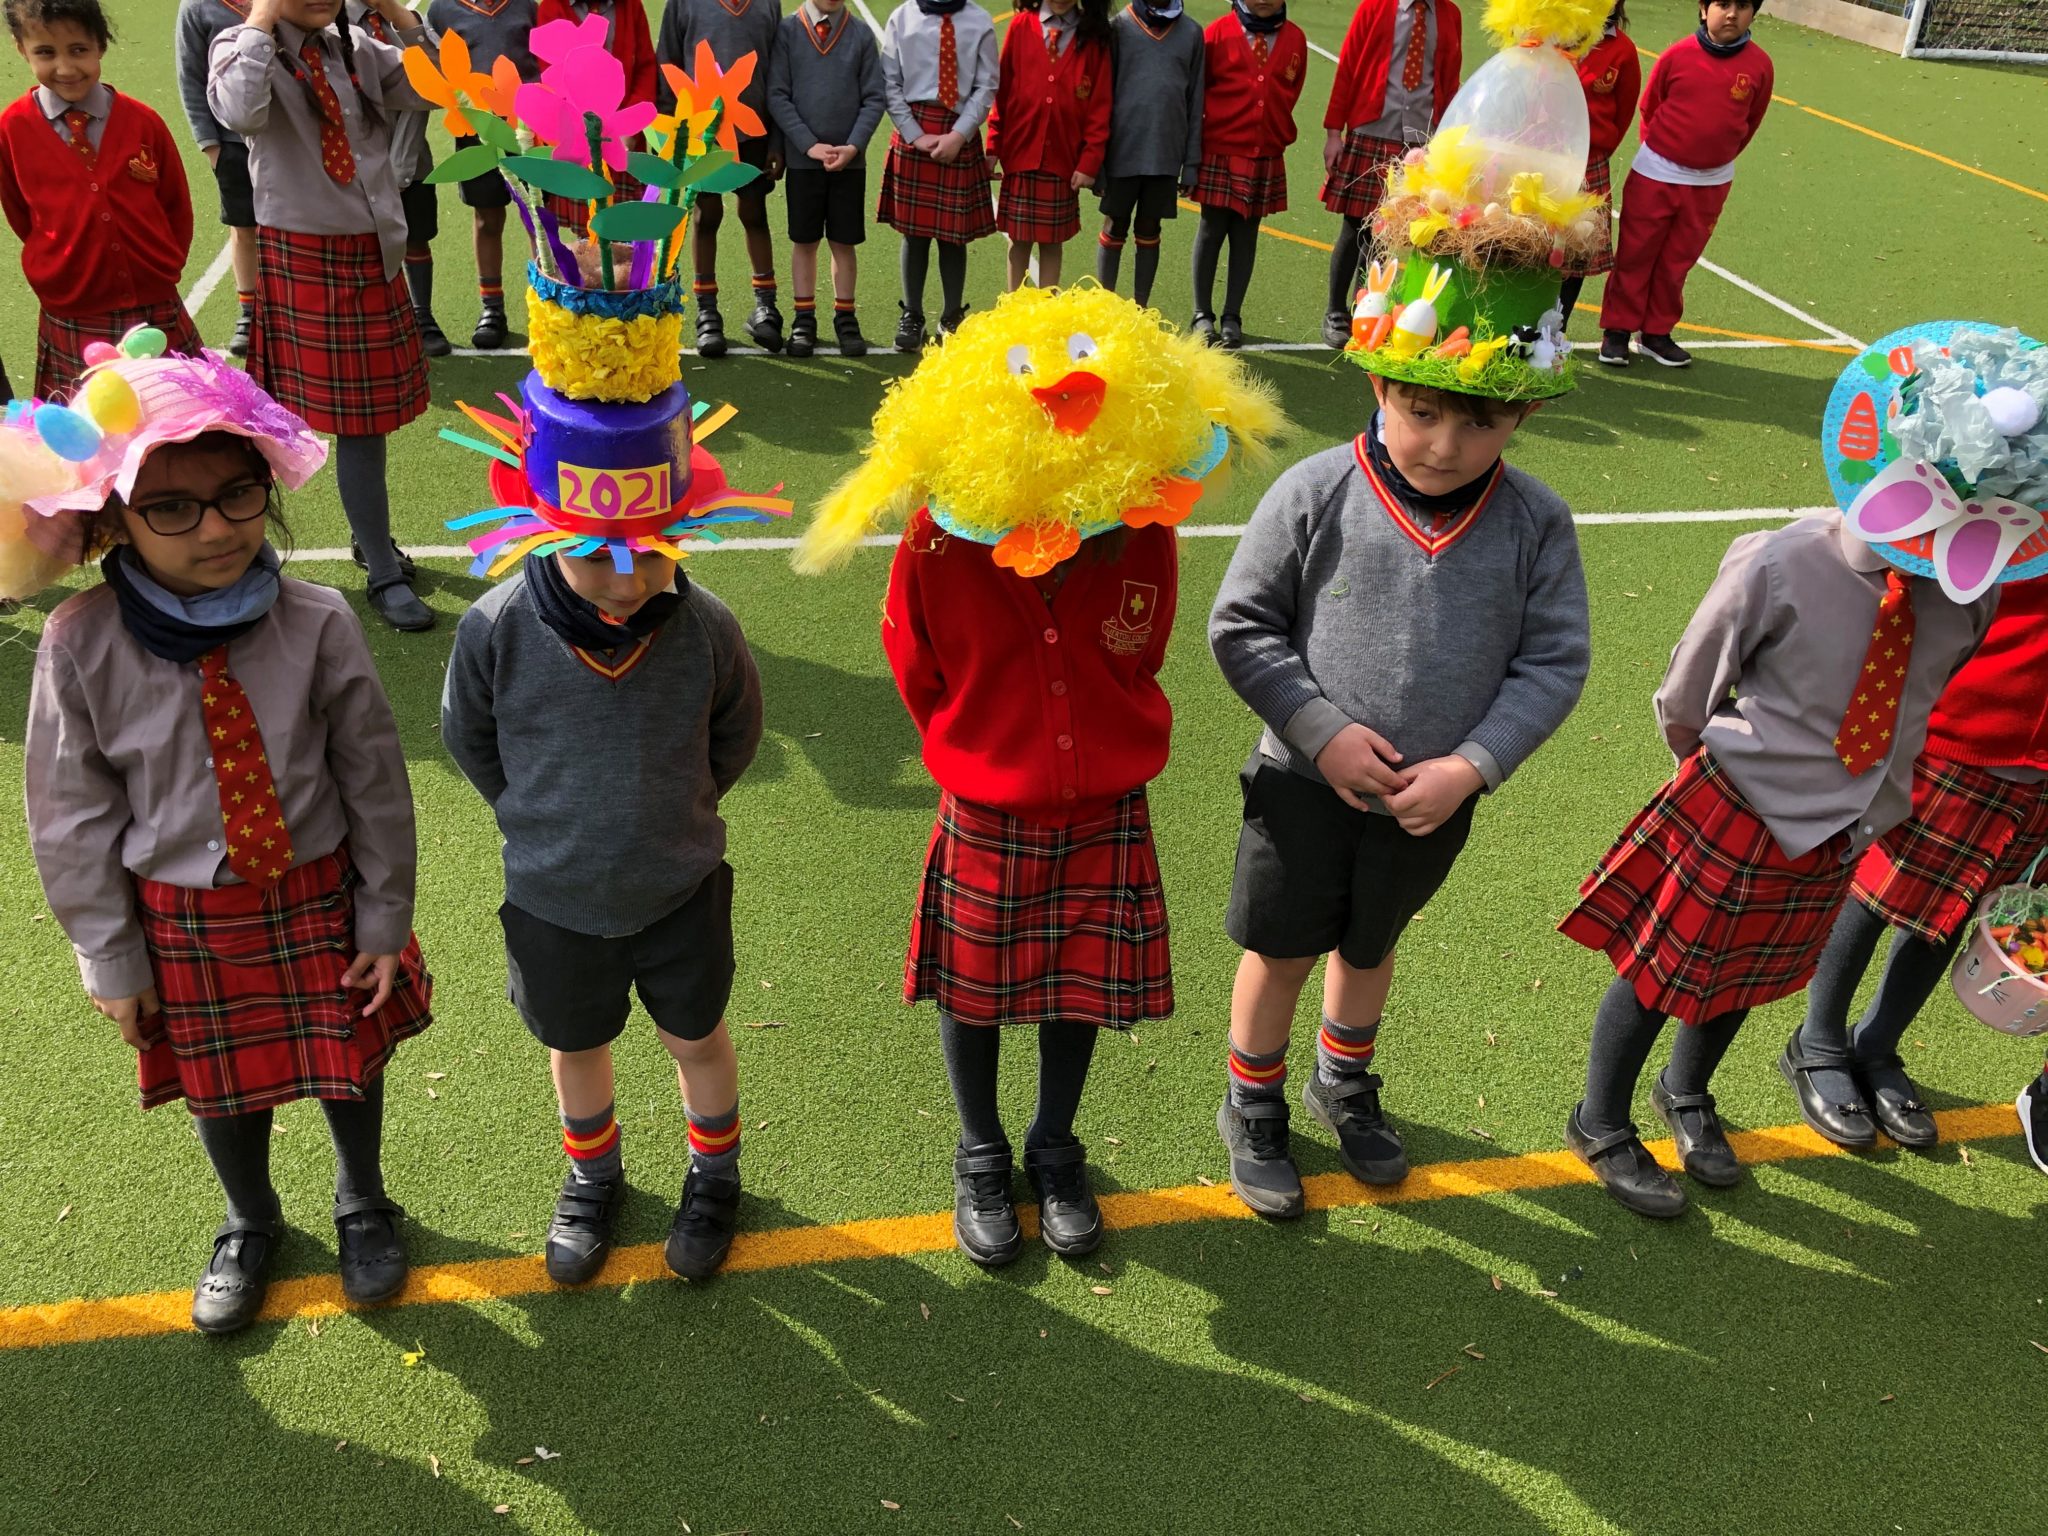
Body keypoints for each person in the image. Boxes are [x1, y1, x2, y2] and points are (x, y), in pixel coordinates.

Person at [794, 284, 1284, 1263]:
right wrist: (977, 745)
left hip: (1104, 802)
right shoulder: (937, 539)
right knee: (970, 994)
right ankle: (980, 1152)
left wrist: (1093, 734)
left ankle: (1053, 1145)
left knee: (1077, 993)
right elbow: (914, 661)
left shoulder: (1142, 523)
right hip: (987, 803)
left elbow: (1136, 651)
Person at [1557, 319, 2039, 1219]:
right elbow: (1688, 685)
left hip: (1841, 823)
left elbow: (1920, 704)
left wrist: (1871, 808)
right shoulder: (1781, 557)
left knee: (1748, 973)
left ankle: (1687, 1094)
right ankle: (1601, 1118)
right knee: (1662, 967)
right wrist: (1701, 768)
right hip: (1736, 796)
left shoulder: (1968, 598)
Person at [13, 350, 433, 1335]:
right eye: (173, 509)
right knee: (221, 1082)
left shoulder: (317, 621)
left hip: (314, 892)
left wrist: (384, 913)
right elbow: (69, 817)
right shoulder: (80, 641)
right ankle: (250, 1219)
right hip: (183, 917)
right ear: (114, 516)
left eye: (237, 496)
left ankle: (363, 1196)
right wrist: (112, 959)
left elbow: (373, 777)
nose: (215, 528)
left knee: (348, 1059)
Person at [1792, 578, 2048, 1152]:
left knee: (1960, 907)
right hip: (1968, 725)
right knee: (1883, 888)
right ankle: (1819, 1040)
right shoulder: (2024, 493)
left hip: (2039, 771)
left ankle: (1876, 1044)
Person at [208, 0, 439, 633]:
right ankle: (243, 550)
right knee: (270, 423)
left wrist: (395, 11)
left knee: (366, 426)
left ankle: (379, 562)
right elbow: (238, 108)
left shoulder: (357, 47)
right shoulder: (239, 44)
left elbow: (442, 84)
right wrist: (261, 18)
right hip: (303, 257)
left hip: (372, 255)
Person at [2, 0, 201, 401]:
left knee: (179, 426)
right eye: (45, 52)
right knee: (86, 439)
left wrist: (160, 268)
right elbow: (21, 214)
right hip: (73, 310)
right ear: (21, 49)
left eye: (79, 50)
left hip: (154, 305)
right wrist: (63, 265)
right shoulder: (11, 129)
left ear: (100, 45)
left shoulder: (144, 122)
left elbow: (175, 204)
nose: (65, 68)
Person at [1598, 0, 1771, 369]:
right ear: (1703, 9)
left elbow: (1750, 122)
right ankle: (1617, 332)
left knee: (1677, 261)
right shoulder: (1677, 56)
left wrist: (1712, 158)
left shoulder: (1760, 66)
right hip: (1656, 174)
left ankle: (1656, 334)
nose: (1731, 14)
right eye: (1722, 4)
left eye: (1742, 7)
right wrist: (1669, 153)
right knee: (1635, 254)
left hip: (1711, 183)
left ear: (1752, 14)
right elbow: (1650, 107)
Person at [1318, 0, 1459, 350]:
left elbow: (1449, 78)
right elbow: (1348, 66)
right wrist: (1334, 133)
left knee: (1387, 234)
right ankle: (1336, 311)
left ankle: (1368, 309)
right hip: (1372, 129)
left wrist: (1445, 141)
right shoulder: (1375, 7)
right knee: (1355, 226)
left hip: (1418, 140)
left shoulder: (1449, 14)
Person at [657, 0, 784, 355]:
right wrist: (671, 136)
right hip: (701, 132)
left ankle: (765, 306)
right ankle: (707, 312)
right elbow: (667, 62)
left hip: (754, 129)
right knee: (707, 215)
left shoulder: (767, 4)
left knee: (754, 212)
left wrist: (778, 139)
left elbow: (777, 73)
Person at [878, 0, 999, 351]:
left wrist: (959, 135)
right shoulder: (902, 18)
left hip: (957, 130)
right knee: (914, 233)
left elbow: (986, 85)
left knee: (954, 235)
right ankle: (912, 313)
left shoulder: (979, 21)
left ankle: (951, 316)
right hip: (914, 130)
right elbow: (890, 82)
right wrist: (915, 134)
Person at [766, 0, 884, 356]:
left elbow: (874, 98)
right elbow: (778, 95)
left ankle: (845, 316)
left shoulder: (861, 35)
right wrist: (808, 144)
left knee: (843, 241)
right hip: (805, 162)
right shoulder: (788, 31)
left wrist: (853, 146)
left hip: (849, 162)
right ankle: (804, 318)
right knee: (804, 240)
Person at [1188, 0, 1304, 348]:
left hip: (1264, 153)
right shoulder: (1216, 35)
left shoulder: (1295, 39)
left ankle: (1231, 315)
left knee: (1246, 235)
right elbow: (1198, 93)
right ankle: (1201, 314)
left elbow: (1291, 90)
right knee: (1211, 229)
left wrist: (1274, 134)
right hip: (1219, 151)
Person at [425, 0, 539, 351]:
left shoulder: (527, 6)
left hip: (530, 129)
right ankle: (492, 309)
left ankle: (547, 303)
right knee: (487, 217)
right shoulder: (441, 11)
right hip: (475, 130)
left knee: (538, 220)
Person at [985, 0, 1111, 294]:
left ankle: (1047, 311)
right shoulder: (1020, 26)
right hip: (1020, 153)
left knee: (1052, 242)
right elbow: (1001, 93)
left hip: (1063, 159)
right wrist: (993, 146)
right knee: (1018, 240)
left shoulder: (1092, 36)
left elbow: (1100, 106)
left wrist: (1089, 161)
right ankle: (1015, 306)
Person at [349, 0, 448, 355]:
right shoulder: (331, 23)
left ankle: (422, 316)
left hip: (411, 158)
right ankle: (373, 321)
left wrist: (399, 18)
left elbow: (437, 87)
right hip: (351, 162)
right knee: (360, 245)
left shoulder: (406, 21)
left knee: (416, 237)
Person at [1093, 0, 1200, 310]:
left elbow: (1196, 102)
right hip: (1121, 153)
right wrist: (1098, 161)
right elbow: (1101, 98)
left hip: (1165, 155)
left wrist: (1190, 165)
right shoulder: (1119, 28)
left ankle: (1141, 309)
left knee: (1150, 228)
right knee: (1115, 223)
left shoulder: (1191, 33)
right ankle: (1105, 304)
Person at [176, 0, 264, 357]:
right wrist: (211, 145)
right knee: (244, 226)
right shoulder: (198, 7)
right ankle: (248, 311)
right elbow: (190, 76)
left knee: (299, 224)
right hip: (232, 145)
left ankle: (296, 308)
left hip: (289, 140)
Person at [1554, 0, 1637, 334]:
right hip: (1541, 161)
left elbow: (1623, 114)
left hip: (1589, 166)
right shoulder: (1546, 35)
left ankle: (1557, 329)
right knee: (1534, 248)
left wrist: (1593, 154)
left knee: (1575, 258)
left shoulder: (1622, 50)